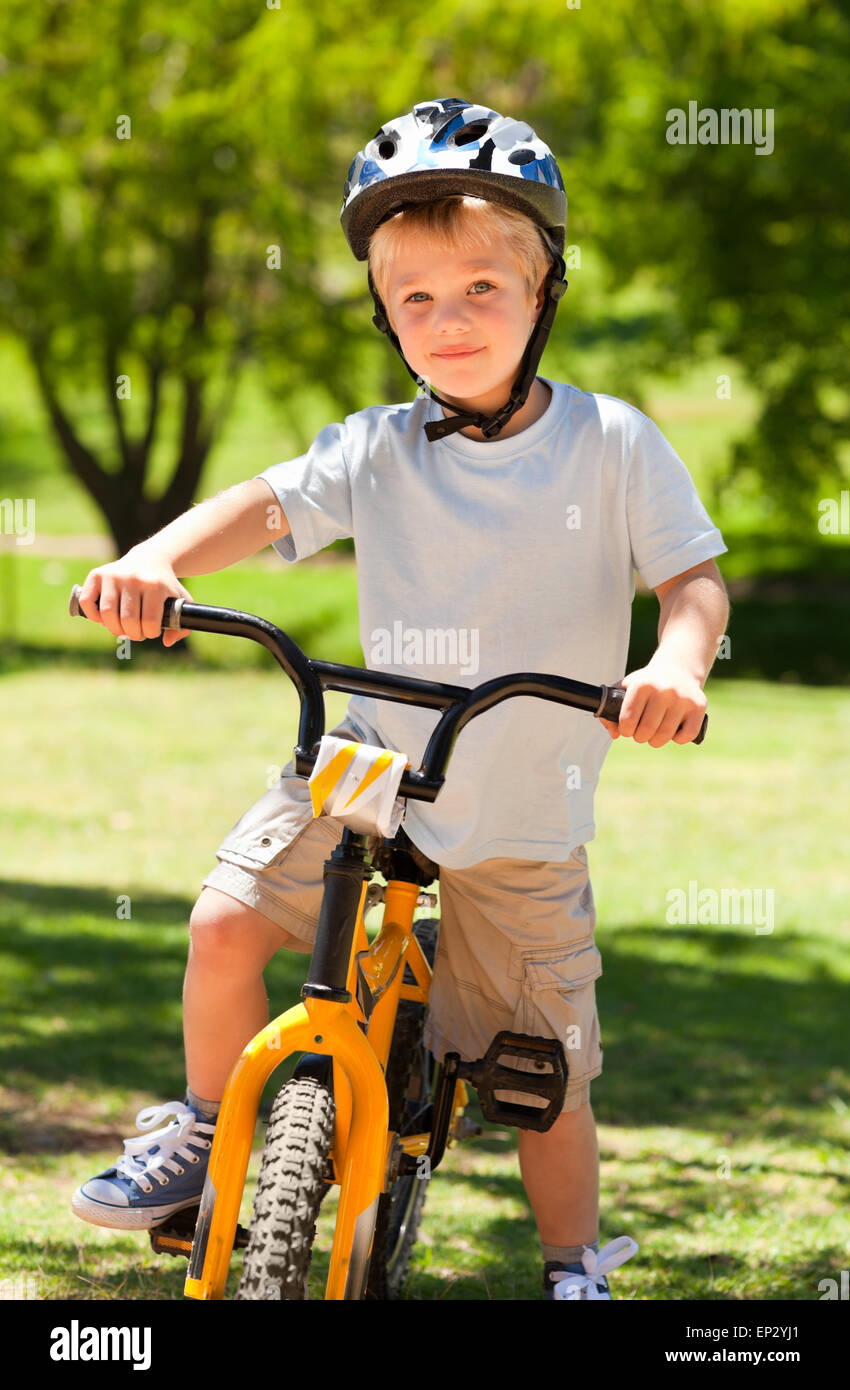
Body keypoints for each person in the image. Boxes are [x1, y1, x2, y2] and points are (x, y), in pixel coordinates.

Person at [71, 97, 730, 1301]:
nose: (449, 320)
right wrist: (157, 558)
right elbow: (266, 508)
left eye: (483, 287)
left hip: (524, 815)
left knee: (542, 1075)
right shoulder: (377, 447)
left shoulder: (611, 445)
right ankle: (207, 1133)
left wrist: (675, 664)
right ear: (385, 315)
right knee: (222, 926)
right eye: (416, 298)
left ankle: (573, 1265)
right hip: (367, 765)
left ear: (543, 293)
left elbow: (692, 577)